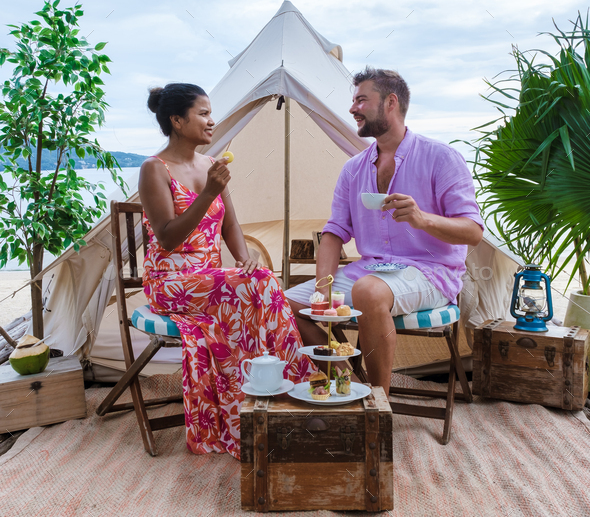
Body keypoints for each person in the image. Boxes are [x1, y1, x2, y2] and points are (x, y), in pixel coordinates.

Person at [138, 83, 315, 460]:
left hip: (211, 281)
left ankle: (274, 397)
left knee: (259, 280)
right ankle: (286, 393)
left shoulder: (211, 166)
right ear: (176, 120)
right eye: (202, 113)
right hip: (170, 282)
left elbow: (231, 226)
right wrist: (206, 194)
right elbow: (167, 238)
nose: (211, 120)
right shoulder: (154, 169)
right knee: (262, 286)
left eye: (210, 112)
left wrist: (244, 256)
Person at [285, 67, 484, 393]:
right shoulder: (353, 169)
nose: (352, 109)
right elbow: (335, 230)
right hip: (369, 272)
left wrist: (423, 219)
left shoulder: (442, 158)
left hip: (430, 272)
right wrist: (323, 286)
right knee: (278, 302)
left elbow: (473, 231)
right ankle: (346, 377)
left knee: (368, 290)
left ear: (391, 103)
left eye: (361, 100)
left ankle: (379, 403)